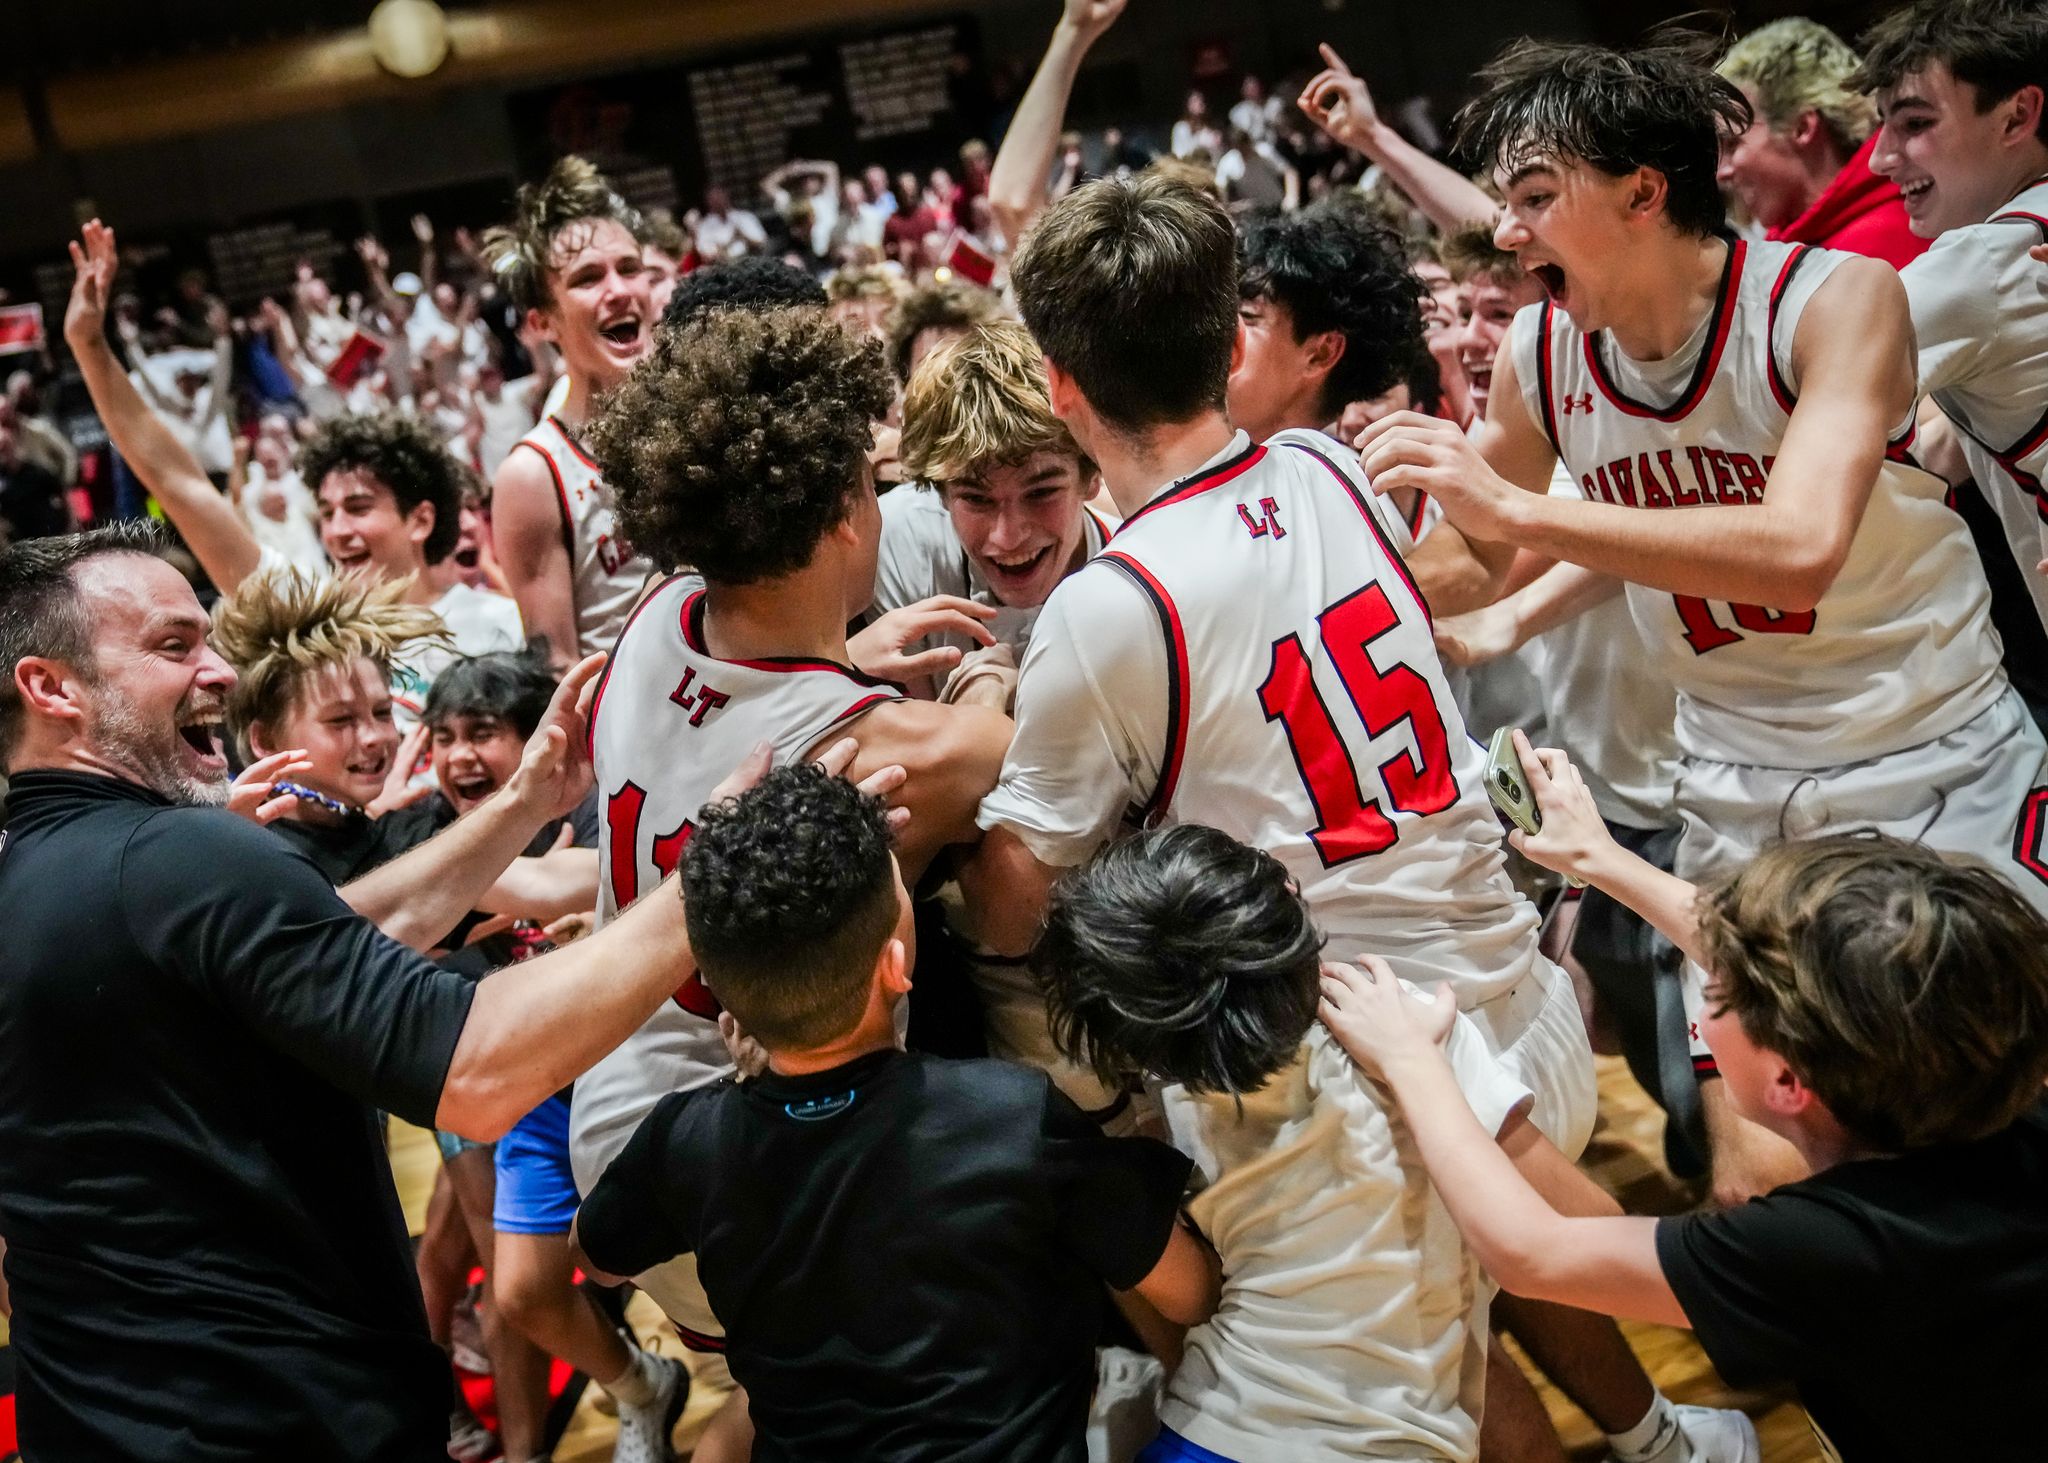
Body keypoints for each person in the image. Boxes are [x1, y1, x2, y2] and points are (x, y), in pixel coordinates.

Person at [975, 172, 1745, 1463]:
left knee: (1434, 1371)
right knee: (1489, 1285)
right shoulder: (1329, 466)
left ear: (1059, 386)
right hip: (1520, 1010)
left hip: (1374, 1065)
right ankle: (1665, 1438)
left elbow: (1016, 888)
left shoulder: (1108, 609)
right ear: (1227, 345)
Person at [1356, 38, 2048, 1204]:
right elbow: (1468, 561)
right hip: (1733, 781)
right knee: (1755, 1185)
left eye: (1535, 197)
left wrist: (1518, 510)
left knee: (1997, 1143)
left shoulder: (1832, 300)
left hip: (1925, 755)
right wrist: (1326, 564)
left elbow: (1797, 548)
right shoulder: (1539, 351)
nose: (1505, 232)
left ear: (1642, 192)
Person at [0, 521, 852, 1459]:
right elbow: (478, 1072)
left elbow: (355, 927)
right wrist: (728, 862)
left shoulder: (35, 871)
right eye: (174, 645)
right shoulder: (180, 857)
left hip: (85, 1416)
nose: (219, 671)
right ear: (51, 687)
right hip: (267, 1420)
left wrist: (524, 803)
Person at [1319, 735, 2048, 1463]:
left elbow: (1533, 1253)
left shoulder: (1827, 1247)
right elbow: (1778, 962)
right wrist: (1599, 858)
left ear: (1788, 1083)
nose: (1703, 980)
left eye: (1716, 992)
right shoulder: (1985, 1066)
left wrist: (1415, 1060)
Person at [570, 304, 1011, 1343]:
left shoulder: (656, 615)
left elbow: (746, 695)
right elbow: (992, 743)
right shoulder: (880, 742)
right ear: (847, 509)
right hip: (743, 1151)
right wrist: (984, 677)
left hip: (616, 1110)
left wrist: (848, 660)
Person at [573, 765, 1217, 1462]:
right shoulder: (1011, 1116)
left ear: (721, 988)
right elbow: (1191, 1294)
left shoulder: (689, 1142)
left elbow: (592, 1257)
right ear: (894, 963)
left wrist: (736, 1094)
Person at [1035, 821, 1586, 1463]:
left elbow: (1191, 1298)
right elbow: (1584, 1225)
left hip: (1210, 1431)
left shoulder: (1175, 1095)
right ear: (1291, 898)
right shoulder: (1407, 1028)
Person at [62, 223, 524, 724]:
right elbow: (181, 485)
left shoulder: (500, 624)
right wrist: (90, 346)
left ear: (421, 519)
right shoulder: (310, 613)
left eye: (358, 507)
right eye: (327, 511)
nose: (337, 529)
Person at [1861, 0, 2048, 648]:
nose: (1880, 160)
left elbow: (1772, 375)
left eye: (1915, 123)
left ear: (2018, 115)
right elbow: (1942, 451)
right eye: (1881, 125)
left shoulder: (1984, 261)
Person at [877, 319, 1113, 701]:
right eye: (976, 499)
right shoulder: (898, 545)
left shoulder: (1153, 575)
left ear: (1093, 475)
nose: (1008, 536)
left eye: (1040, 493)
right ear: (940, 493)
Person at [484, 157, 656, 666]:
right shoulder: (534, 475)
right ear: (542, 323)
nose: (619, 290)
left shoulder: (700, 411)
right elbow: (558, 670)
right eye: (588, 278)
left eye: (629, 269)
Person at [1715, 18, 1927, 268]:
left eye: (1733, 144)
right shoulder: (1795, 246)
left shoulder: (1885, 246)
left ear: (1802, 128)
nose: (1721, 172)